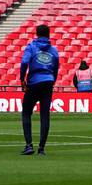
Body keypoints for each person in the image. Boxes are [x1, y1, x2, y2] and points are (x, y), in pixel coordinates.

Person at [20, 24, 59, 155]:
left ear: (37, 34)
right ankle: (41, 148)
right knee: (44, 115)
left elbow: (25, 62)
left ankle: (29, 145)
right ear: (48, 34)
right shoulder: (53, 50)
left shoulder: (31, 46)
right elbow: (56, 67)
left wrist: (22, 78)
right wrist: (52, 79)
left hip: (34, 82)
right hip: (48, 82)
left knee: (26, 112)